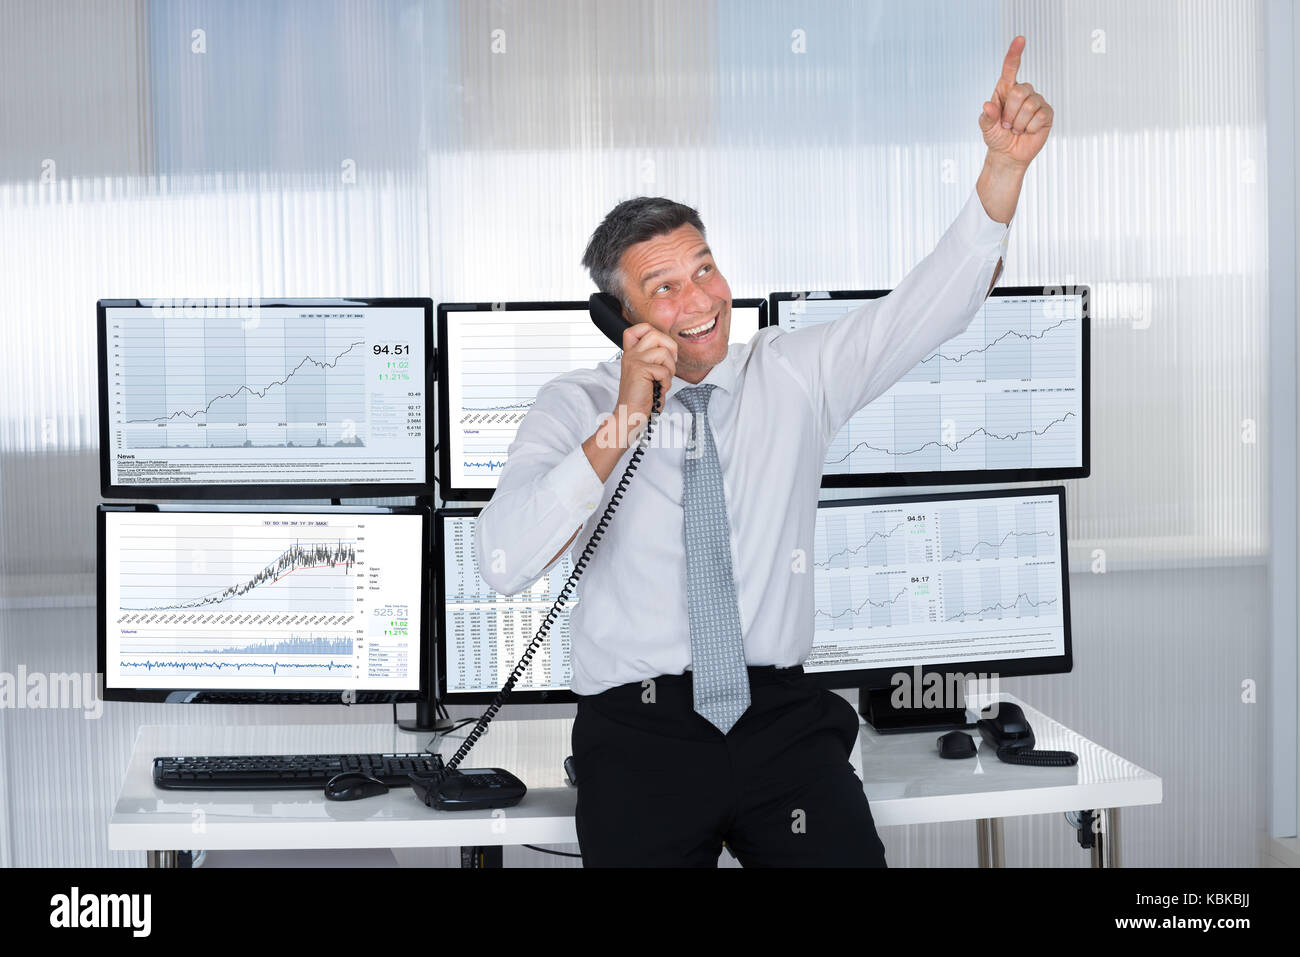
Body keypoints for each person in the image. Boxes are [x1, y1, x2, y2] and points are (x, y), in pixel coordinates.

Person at [476, 35, 1053, 867]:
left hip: (781, 722)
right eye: (664, 287)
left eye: (703, 268)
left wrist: (1002, 171)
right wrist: (624, 421)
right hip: (639, 736)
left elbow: (926, 307)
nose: (701, 300)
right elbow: (503, 556)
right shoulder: (575, 407)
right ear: (619, 316)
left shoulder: (793, 374)